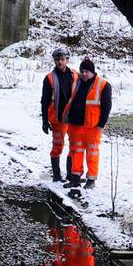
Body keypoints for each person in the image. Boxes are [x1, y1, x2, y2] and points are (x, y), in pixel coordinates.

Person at [63, 57, 111, 189]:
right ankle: (75, 178)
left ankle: (91, 180)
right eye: (82, 71)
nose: (84, 74)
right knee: (76, 152)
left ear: (93, 72)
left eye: (87, 71)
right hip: (75, 125)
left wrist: (101, 125)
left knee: (92, 153)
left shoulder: (103, 85)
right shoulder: (76, 82)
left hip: (93, 127)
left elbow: (106, 107)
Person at [40, 47, 77, 182]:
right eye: (57, 60)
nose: (60, 62)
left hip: (72, 118)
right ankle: (56, 175)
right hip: (57, 119)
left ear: (67, 60)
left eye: (62, 59)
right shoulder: (49, 78)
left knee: (74, 146)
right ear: (54, 61)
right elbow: (44, 101)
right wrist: (44, 121)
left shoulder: (75, 75)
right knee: (58, 147)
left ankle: (70, 175)